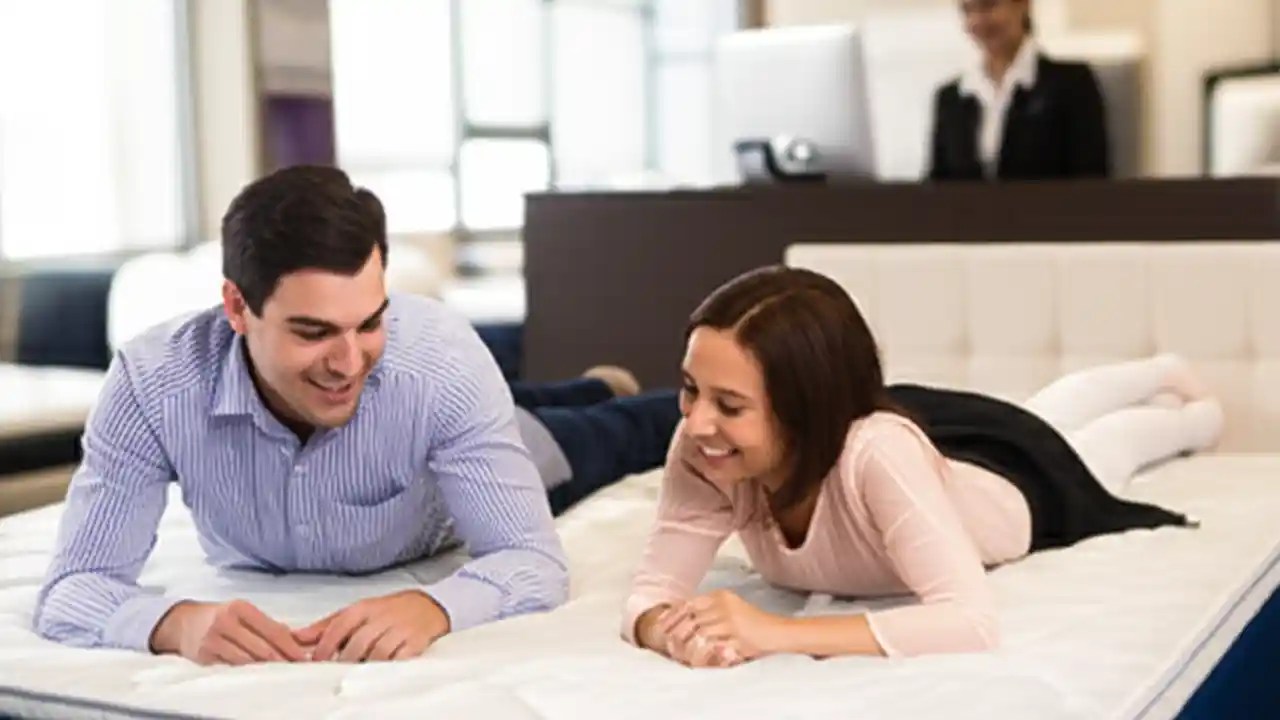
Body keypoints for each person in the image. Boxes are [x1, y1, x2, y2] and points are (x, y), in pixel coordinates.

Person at [32, 165, 677, 666]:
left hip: (464, 445)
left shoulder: (439, 360)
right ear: (236, 307)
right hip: (440, 417)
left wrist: (435, 606)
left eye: (369, 322)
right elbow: (74, 587)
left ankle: (600, 392)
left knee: (612, 435)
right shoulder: (152, 383)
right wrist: (170, 624)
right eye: (313, 331)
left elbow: (531, 561)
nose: (346, 361)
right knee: (508, 398)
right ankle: (587, 385)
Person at [623, 266, 1223, 666]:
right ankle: (1159, 374)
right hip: (924, 457)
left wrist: (773, 633)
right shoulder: (705, 449)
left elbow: (970, 622)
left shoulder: (877, 454)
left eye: (729, 405)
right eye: (689, 389)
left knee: (1102, 448)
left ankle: (1186, 406)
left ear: (803, 409)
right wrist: (668, 633)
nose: (697, 421)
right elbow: (651, 592)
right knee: (1041, 409)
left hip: (1010, 490)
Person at [928, 0, 1110, 180]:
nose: (978, 20)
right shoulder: (951, 98)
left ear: (1024, 5)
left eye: (989, 6)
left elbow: (1091, 184)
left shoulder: (1072, 84)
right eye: (967, 10)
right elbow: (936, 192)